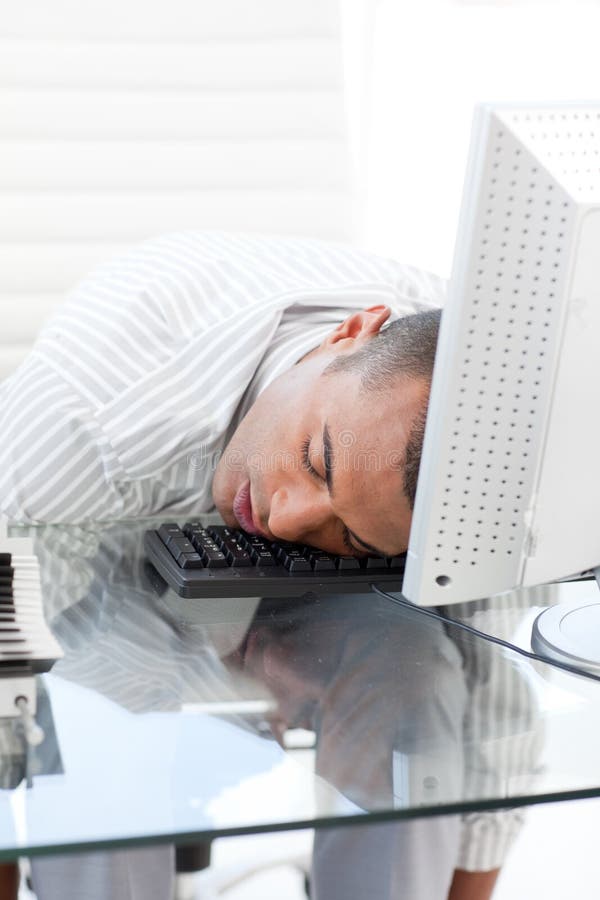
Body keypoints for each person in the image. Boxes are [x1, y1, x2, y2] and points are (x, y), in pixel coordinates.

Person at [0, 231, 443, 558]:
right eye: (316, 462)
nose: (287, 521)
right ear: (347, 333)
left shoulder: (479, 350)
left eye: (354, 537)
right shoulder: (86, 424)